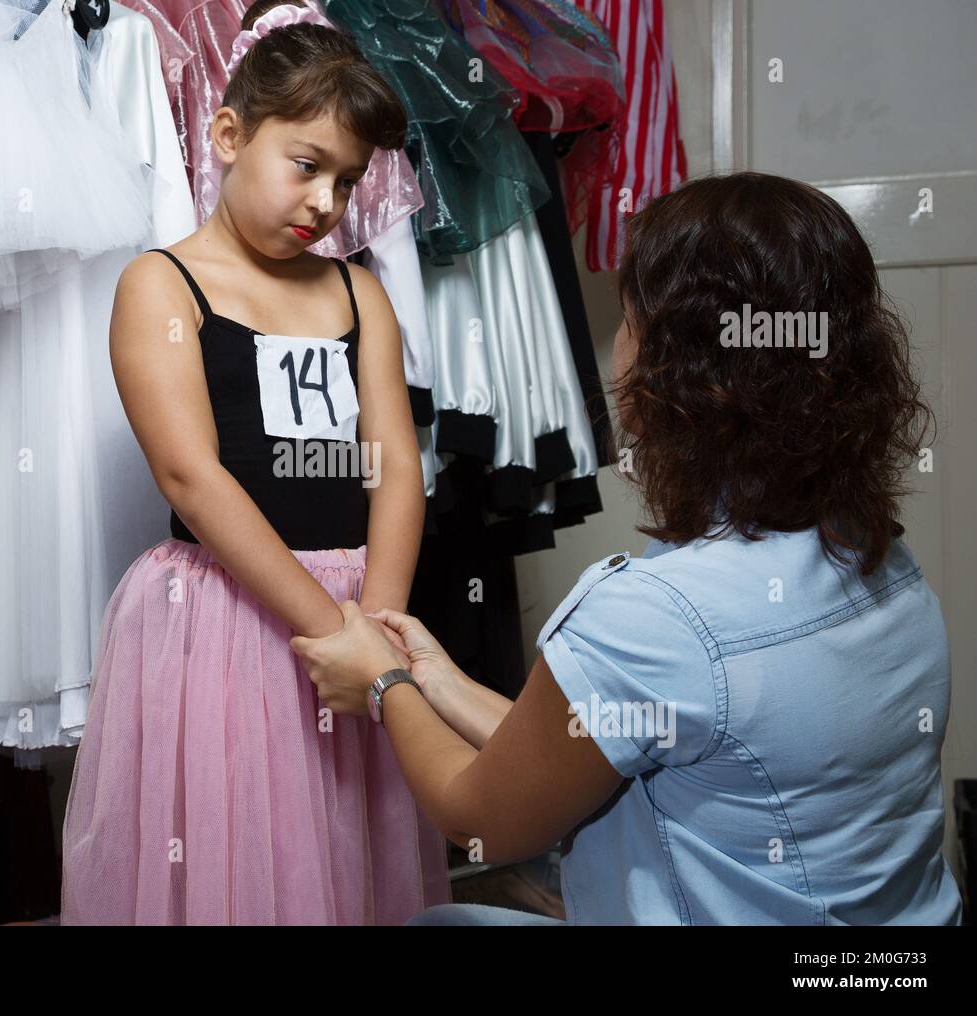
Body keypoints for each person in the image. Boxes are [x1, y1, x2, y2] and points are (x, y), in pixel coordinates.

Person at [291, 171, 965, 926]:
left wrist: (383, 686)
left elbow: (481, 820)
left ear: (678, 372)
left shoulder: (658, 619)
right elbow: (593, 743)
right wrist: (436, 682)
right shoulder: (883, 561)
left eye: (630, 319)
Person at [60, 0, 450, 924]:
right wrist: (330, 629)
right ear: (230, 135)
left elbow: (395, 465)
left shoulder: (358, 291)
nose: (326, 203)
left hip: (358, 605)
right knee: (241, 853)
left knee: (346, 847)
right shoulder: (161, 283)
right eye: (307, 167)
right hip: (231, 612)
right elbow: (191, 477)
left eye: (347, 182)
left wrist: (376, 623)